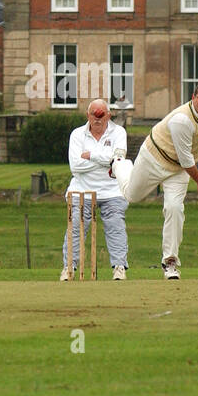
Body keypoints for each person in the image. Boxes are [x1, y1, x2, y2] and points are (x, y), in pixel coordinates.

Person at [111, 81, 198, 279]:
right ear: (193, 98)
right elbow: (186, 160)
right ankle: (119, 163)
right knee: (131, 196)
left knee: (174, 208)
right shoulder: (182, 120)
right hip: (154, 158)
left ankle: (170, 263)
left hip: (178, 170)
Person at [61, 98, 129, 281]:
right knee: (75, 225)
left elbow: (119, 159)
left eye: (101, 114)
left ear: (109, 115)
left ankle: (119, 267)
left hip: (112, 190)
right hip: (81, 190)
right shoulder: (77, 134)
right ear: (88, 115)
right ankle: (69, 268)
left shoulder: (119, 132)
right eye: (94, 114)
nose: (98, 118)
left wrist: (90, 155)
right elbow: (75, 166)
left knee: (115, 226)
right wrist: (107, 161)